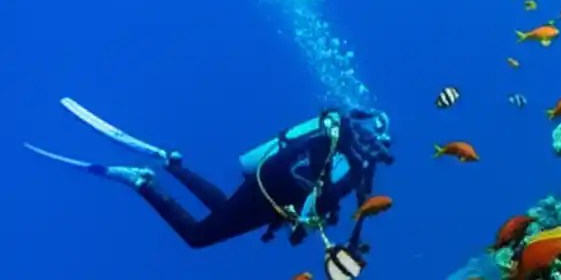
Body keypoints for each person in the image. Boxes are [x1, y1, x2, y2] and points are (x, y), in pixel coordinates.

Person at [25, 98, 394, 276]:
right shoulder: (357, 168)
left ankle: (173, 164)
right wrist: (309, 221)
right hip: (274, 198)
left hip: (266, 182)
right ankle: (143, 182)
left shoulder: (336, 133)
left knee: (223, 212)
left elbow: (308, 168)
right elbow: (329, 198)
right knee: (198, 237)